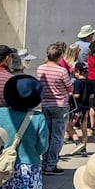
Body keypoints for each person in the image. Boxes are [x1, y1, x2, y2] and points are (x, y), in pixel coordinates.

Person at [37, 43, 74, 172]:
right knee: (57, 136)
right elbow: (70, 88)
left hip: (45, 103)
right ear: (60, 56)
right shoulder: (62, 71)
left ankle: (44, 162)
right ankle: (51, 165)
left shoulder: (40, 69)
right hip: (60, 104)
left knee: (46, 135)